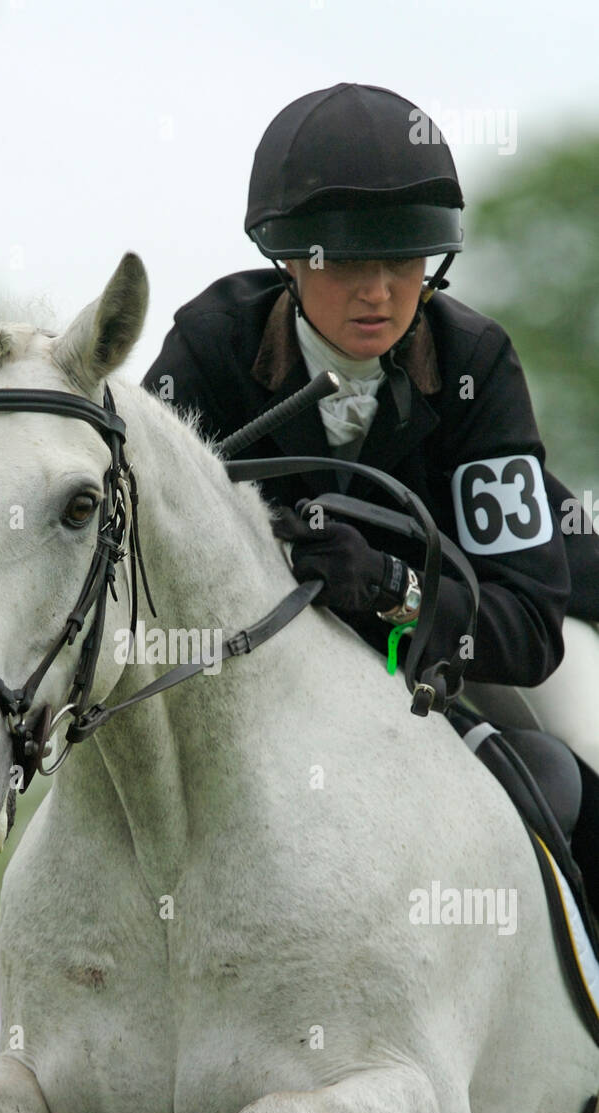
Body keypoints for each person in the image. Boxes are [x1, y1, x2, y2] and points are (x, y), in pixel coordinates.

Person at [141, 82, 599, 915]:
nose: (380, 293)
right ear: (288, 259)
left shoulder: (475, 364)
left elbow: (527, 630)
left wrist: (395, 592)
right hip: (279, 660)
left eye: (403, 262)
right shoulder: (208, 349)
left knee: (571, 759)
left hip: (475, 640)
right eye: (348, 262)